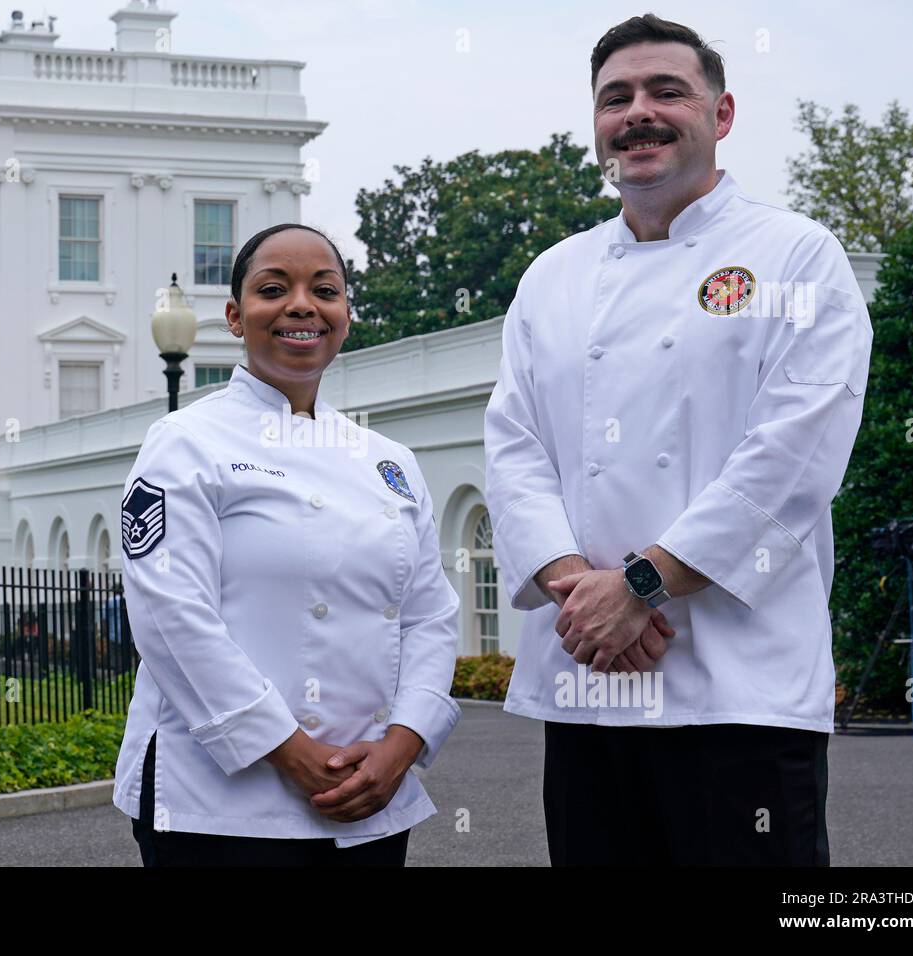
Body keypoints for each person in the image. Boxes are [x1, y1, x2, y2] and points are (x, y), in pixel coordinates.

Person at [483, 14, 872, 866]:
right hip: (589, 682)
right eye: (615, 98)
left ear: (722, 114)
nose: (639, 113)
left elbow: (796, 454)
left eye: (667, 91)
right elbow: (513, 450)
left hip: (741, 691)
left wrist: (644, 585)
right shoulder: (551, 276)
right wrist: (574, 587)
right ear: (596, 125)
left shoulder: (797, 255)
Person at [113, 223, 462, 867]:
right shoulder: (185, 442)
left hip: (369, 795)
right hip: (221, 803)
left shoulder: (390, 461)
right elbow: (170, 614)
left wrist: (404, 744)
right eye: (274, 289)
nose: (302, 304)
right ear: (234, 316)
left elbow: (431, 616)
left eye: (324, 290)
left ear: (346, 317)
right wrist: (288, 749)